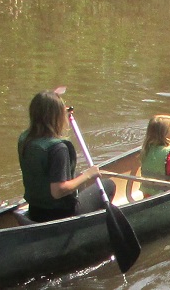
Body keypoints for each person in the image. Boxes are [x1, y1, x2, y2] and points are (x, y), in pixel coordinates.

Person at [8, 90, 101, 224]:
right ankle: (87, 228)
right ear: (56, 117)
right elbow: (58, 191)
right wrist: (88, 175)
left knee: (78, 179)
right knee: (108, 185)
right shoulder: (58, 148)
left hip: (35, 210)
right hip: (59, 215)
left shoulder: (25, 138)